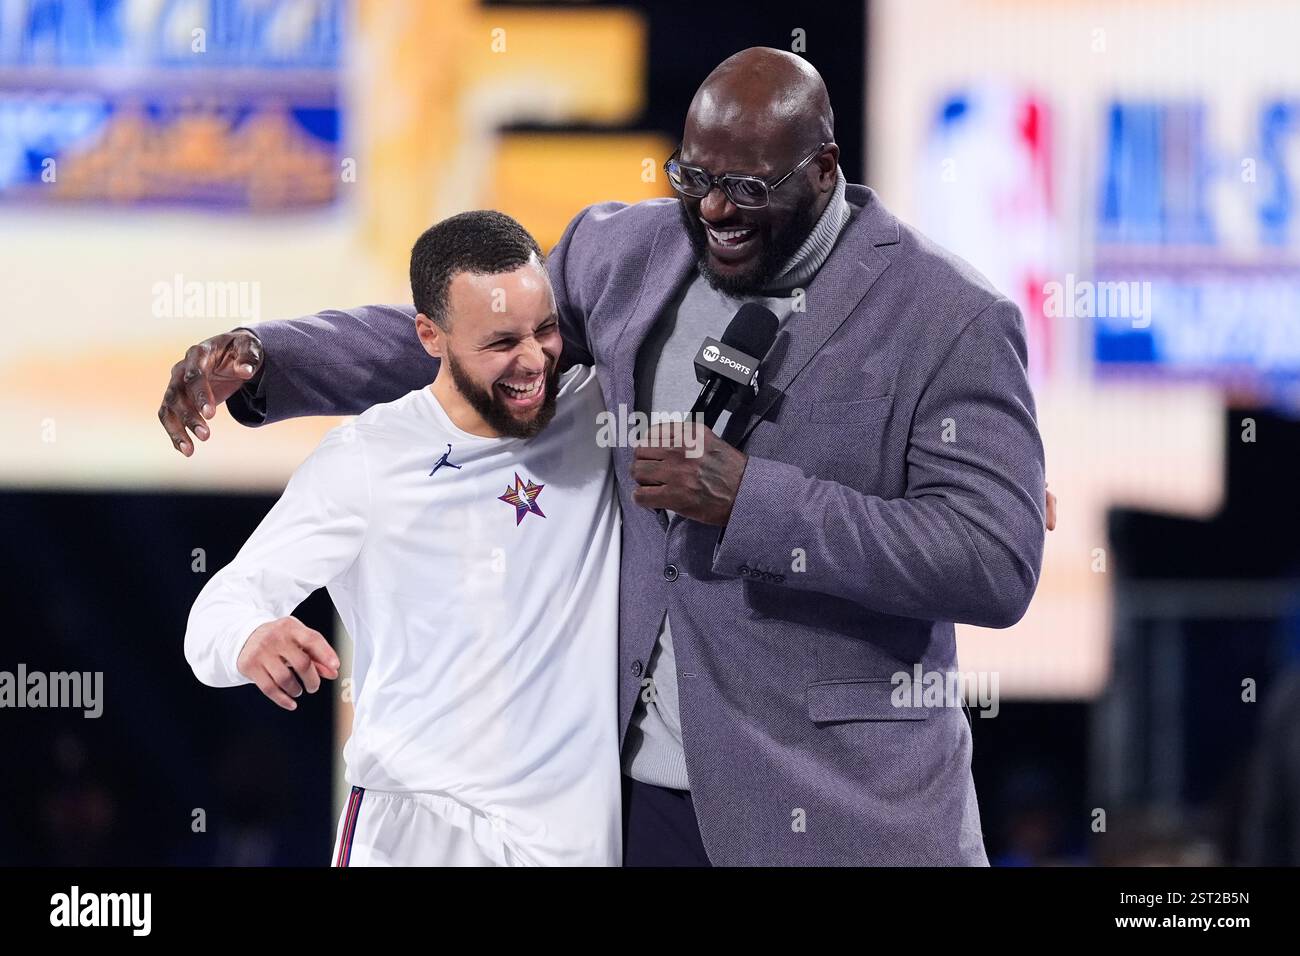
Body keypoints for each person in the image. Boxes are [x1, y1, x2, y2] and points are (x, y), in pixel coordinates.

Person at [163, 48, 1051, 865]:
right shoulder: (625, 252)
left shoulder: (950, 317)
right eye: (693, 177)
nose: (710, 208)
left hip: (841, 810)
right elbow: (472, 340)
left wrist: (755, 502)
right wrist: (269, 357)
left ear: (824, 169)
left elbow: (995, 560)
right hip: (627, 810)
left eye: (744, 186)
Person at [184, 211, 622, 866]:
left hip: (569, 842)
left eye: (546, 330)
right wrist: (250, 639)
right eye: (501, 342)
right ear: (430, 335)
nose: (534, 360)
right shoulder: (365, 459)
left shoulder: (598, 413)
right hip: (413, 832)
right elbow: (219, 610)